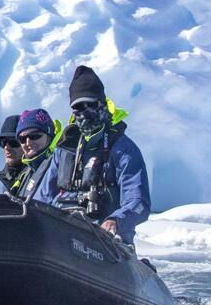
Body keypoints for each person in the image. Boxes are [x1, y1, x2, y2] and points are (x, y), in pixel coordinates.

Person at [34, 66, 150, 244]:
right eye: (78, 107)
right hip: (62, 238)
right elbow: (42, 199)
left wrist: (116, 221)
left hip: (108, 245)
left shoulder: (123, 149)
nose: (85, 112)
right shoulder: (64, 149)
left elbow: (138, 201)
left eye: (91, 104)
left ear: (102, 104)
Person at [5, 108, 56, 200]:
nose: (28, 143)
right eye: (22, 139)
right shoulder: (25, 174)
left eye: (34, 136)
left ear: (49, 135)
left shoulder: (59, 162)